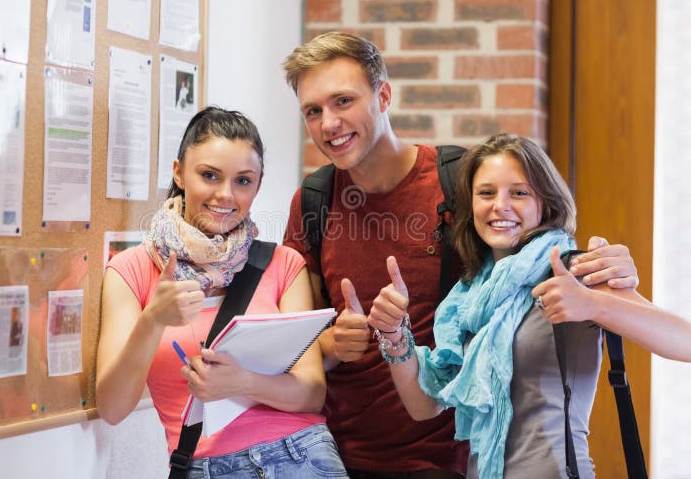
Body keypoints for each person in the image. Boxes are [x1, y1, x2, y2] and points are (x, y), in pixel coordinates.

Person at [281, 32, 638, 478]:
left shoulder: (457, 182)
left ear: (384, 96)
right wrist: (332, 342)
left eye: (343, 101)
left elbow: (535, 253)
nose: (329, 123)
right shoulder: (312, 202)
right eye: (313, 111)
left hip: (458, 457)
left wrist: (610, 269)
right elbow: (292, 339)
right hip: (339, 457)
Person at [367, 133, 644, 477]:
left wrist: (594, 305)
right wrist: (394, 334)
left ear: (546, 202)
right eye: (486, 193)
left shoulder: (575, 270)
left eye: (519, 192)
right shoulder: (470, 297)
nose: (500, 205)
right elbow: (424, 406)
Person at [96, 106, 348, 478]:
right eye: (209, 175)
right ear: (179, 173)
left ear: (258, 185)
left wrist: (243, 383)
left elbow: (312, 392)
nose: (225, 195)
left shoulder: (281, 263)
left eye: (243, 181)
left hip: (303, 456)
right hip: (206, 465)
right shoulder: (131, 270)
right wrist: (152, 321)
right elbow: (113, 409)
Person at [532, 247, 691, 362]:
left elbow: (686, 341)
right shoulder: (507, 275)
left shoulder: (576, 269)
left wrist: (593, 303)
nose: (505, 206)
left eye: (519, 197)